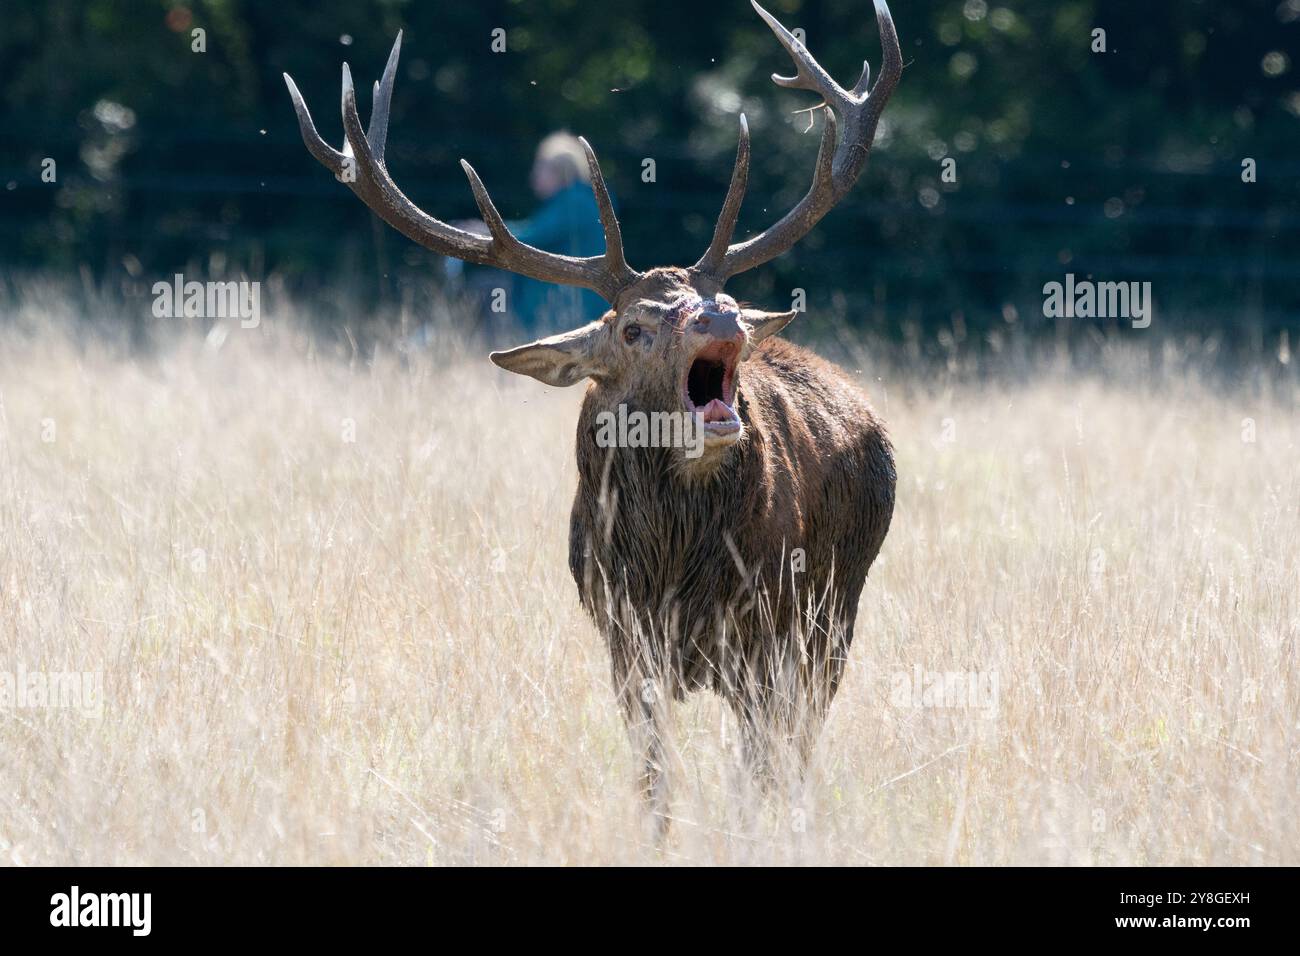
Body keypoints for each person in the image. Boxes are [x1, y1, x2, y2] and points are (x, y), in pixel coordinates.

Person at [456, 132, 610, 332]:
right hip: (575, 302)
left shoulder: (574, 203)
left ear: (559, 171)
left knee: (486, 289)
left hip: (567, 307)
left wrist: (482, 231)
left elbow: (529, 236)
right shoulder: (579, 200)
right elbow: (534, 229)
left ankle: (488, 349)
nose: (534, 175)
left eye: (541, 167)